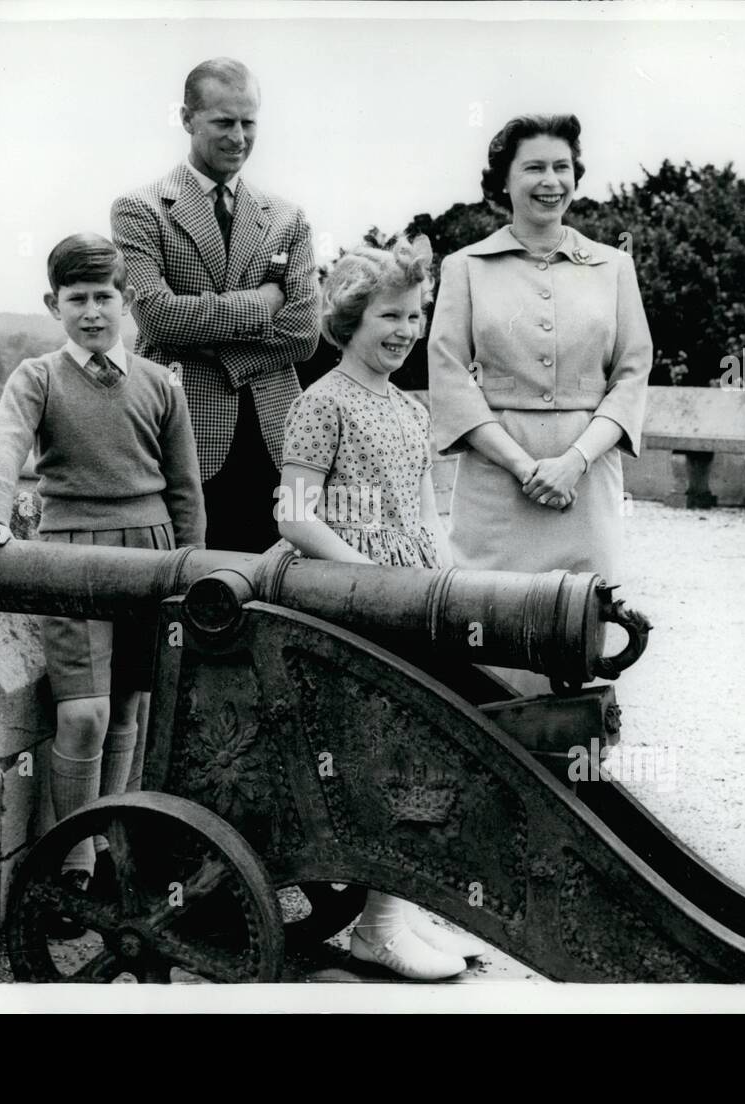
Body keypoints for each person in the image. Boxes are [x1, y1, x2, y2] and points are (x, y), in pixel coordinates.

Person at [0, 233, 206, 930]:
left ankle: (110, 848)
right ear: (54, 305)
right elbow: (5, 444)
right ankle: (67, 863)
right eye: (78, 300)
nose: (94, 312)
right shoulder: (37, 377)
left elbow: (186, 489)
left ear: (127, 301)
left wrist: (190, 569)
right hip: (69, 558)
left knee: (130, 710)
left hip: (153, 558)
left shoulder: (161, 383)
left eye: (105, 297)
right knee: (83, 714)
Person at [276, 236, 488, 981]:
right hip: (356, 602)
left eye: (415, 316)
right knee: (383, 760)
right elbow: (296, 515)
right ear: (350, 321)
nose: (406, 331)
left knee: (427, 748)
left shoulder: (406, 406)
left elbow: (427, 509)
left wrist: (445, 572)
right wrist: (368, 578)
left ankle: (401, 908)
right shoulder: (320, 403)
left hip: (412, 598)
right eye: (390, 317)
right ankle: (378, 925)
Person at [428, 113, 652, 694]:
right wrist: (524, 467)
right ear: (503, 180)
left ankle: (575, 767)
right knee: (488, 628)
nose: (550, 180)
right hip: (497, 487)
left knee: (579, 624)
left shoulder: (615, 267)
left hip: (585, 483)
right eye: (533, 167)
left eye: (561, 166)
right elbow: (450, 378)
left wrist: (573, 462)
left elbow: (631, 373)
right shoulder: (464, 267)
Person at [112, 57, 319, 553]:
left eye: (249, 123)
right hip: (182, 432)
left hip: (275, 437)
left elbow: (305, 331)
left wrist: (215, 348)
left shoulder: (287, 217)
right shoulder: (140, 209)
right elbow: (158, 316)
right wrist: (264, 302)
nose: (238, 137)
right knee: (187, 583)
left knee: (274, 588)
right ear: (187, 119)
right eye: (223, 122)